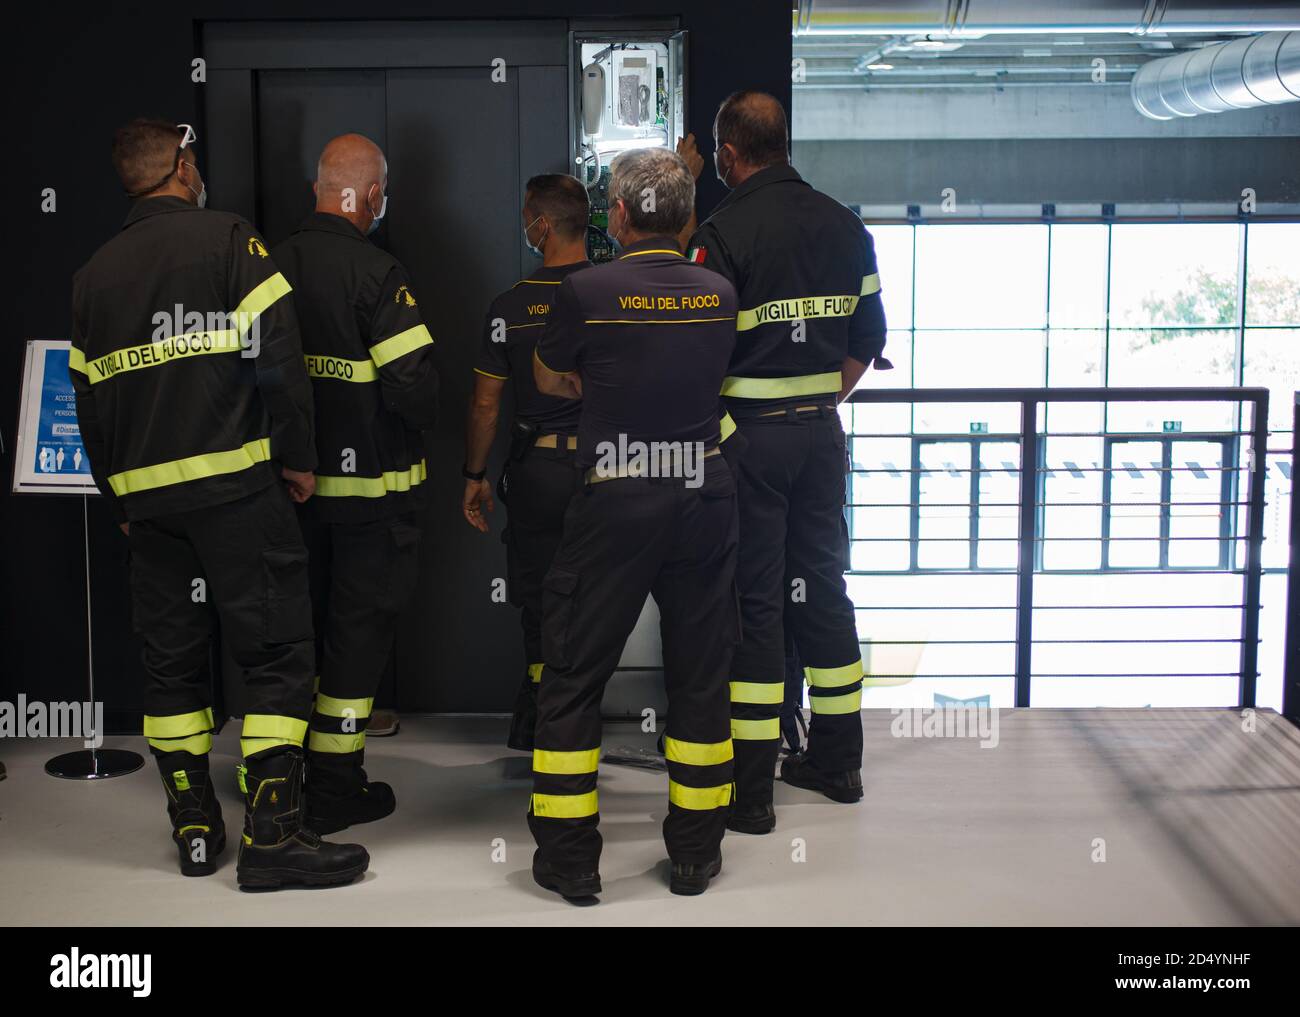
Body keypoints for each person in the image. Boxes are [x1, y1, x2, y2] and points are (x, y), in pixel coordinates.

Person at [71, 118, 367, 888]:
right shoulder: (230, 237)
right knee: (275, 655)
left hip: (150, 507)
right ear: (182, 166)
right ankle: (273, 838)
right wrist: (298, 459)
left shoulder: (92, 276)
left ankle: (196, 830)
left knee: (170, 667)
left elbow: (89, 404)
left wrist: (120, 499)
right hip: (238, 491)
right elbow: (281, 360)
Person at [528, 147, 739, 902]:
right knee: (701, 674)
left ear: (615, 216)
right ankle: (693, 852)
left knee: (575, 672)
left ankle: (571, 859)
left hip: (617, 492)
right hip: (705, 490)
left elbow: (550, 375)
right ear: (685, 220)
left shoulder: (587, 290)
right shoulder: (719, 291)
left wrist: (601, 375)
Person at [686, 91, 891, 833]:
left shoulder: (721, 234)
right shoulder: (847, 226)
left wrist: (742, 424)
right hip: (819, 439)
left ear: (731, 155)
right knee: (824, 591)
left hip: (751, 444)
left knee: (758, 604)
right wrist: (815, 403)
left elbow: (698, 355)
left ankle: (752, 791)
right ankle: (839, 761)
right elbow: (866, 341)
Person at [272, 134, 438, 835]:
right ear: (370, 197)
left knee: (290, 636)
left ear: (319, 188)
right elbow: (417, 388)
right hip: (371, 503)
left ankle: (280, 779)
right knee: (355, 642)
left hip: (286, 501)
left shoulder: (266, 267)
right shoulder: (378, 273)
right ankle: (337, 784)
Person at [463, 174, 592, 751]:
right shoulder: (613, 292)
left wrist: (474, 476)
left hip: (538, 475)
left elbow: (485, 405)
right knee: (599, 598)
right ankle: (579, 717)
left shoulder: (509, 307)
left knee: (540, 601)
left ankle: (544, 721)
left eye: (526, 217)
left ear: (540, 225)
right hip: (609, 473)